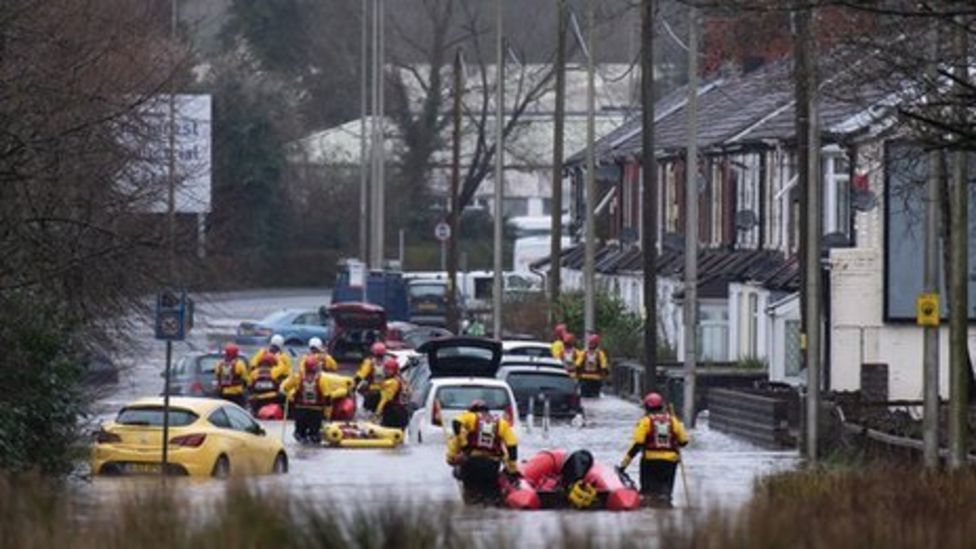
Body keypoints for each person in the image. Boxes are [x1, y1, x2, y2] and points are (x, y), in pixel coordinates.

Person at [618, 392, 689, 505]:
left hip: (650, 462)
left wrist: (623, 465)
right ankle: (666, 511)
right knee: (665, 494)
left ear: (647, 407)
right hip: (670, 463)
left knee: (648, 495)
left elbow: (637, 445)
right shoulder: (673, 420)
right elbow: (684, 441)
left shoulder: (645, 421)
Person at [446, 399, 519, 504]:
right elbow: (512, 446)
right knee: (492, 499)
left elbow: (456, 423)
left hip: (471, 465)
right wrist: (513, 470)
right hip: (492, 466)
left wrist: (462, 448)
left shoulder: (468, 418)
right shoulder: (502, 423)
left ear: (471, 410)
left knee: (471, 499)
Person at [280, 357, 333, 444]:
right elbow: (328, 398)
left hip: (300, 410)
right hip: (316, 412)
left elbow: (284, 388)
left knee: (300, 433)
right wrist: (328, 413)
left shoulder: (297, 377)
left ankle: (303, 447)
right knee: (315, 435)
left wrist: (290, 397)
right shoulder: (322, 379)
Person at [373, 357, 410, 429]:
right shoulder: (398, 379)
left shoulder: (392, 382)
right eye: (386, 369)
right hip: (400, 411)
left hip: (393, 412)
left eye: (389, 369)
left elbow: (385, 399)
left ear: (394, 370)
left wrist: (377, 413)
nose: (386, 371)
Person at [354, 342, 387, 413]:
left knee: (361, 407)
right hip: (384, 391)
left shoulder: (369, 362)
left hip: (371, 391)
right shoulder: (387, 363)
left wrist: (354, 385)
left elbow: (361, 375)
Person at [215, 343, 249, 408]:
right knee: (241, 408)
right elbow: (245, 378)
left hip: (223, 393)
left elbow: (217, 376)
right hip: (237, 393)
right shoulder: (239, 364)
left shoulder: (219, 364)